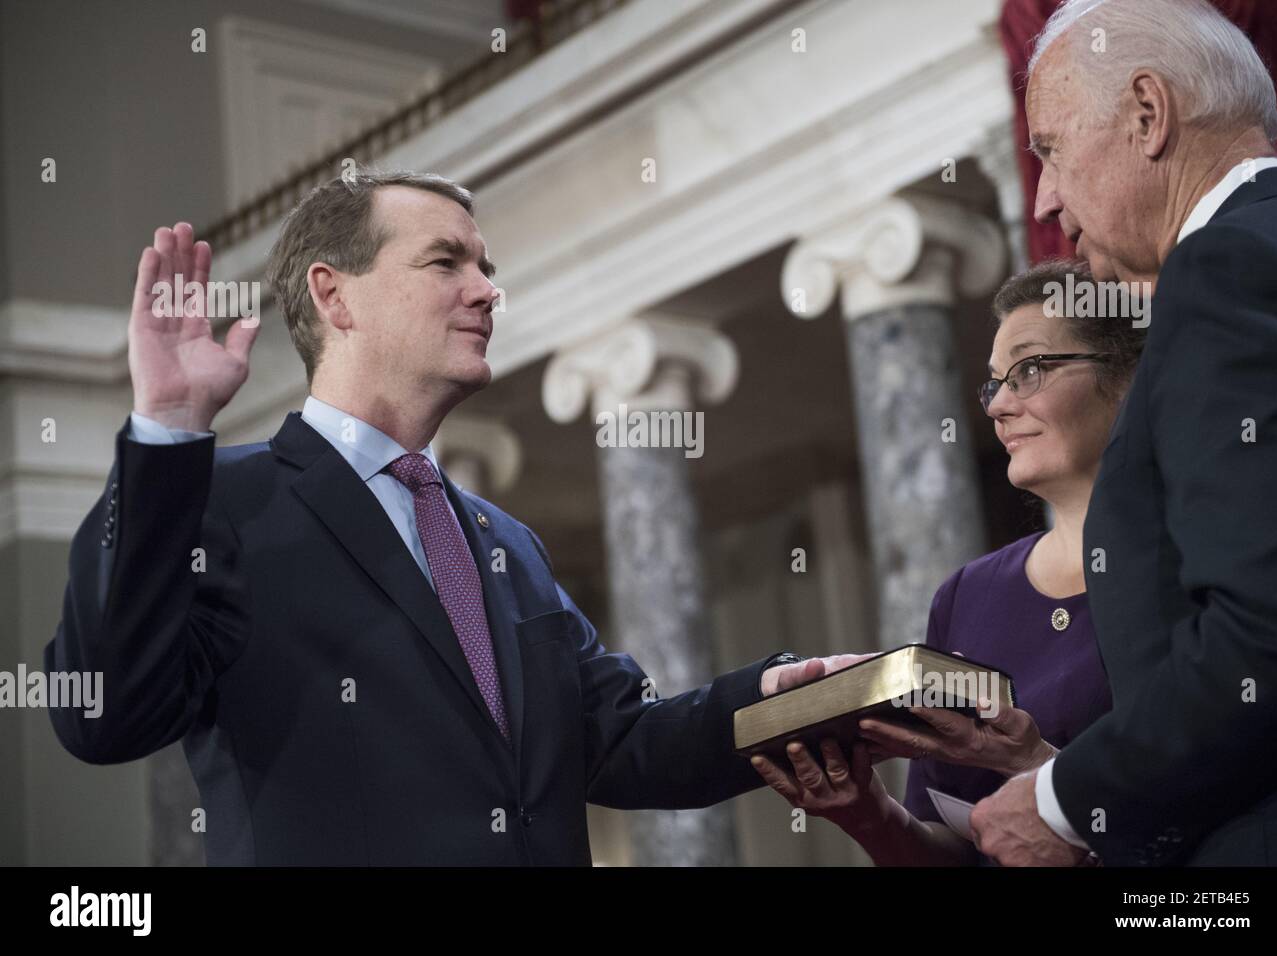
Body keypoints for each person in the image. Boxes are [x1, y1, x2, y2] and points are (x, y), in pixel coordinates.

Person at [44, 170, 856, 865]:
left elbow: (618, 740)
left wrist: (777, 699)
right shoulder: (224, 503)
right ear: (334, 295)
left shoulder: (510, 545)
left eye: (485, 267)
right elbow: (101, 716)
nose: (486, 289)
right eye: (446, 261)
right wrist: (168, 428)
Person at [971, 0, 1277, 866]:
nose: (1044, 194)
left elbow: (1272, 630)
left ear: (1148, 115)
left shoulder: (1222, 273)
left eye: (1050, 148)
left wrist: (1065, 800)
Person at [750, 259, 1142, 864]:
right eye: (994, 383)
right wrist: (869, 814)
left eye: (1030, 370)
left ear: (1125, 377)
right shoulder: (968, 595)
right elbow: (951, 851)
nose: (998, 406)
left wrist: (1037, 770)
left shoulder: (1189, 565)